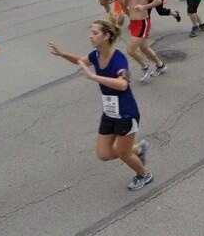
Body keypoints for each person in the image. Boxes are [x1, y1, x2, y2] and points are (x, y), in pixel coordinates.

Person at [48, 19, 153, 191]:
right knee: (104, 154)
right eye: (91, 32)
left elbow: (123, 84)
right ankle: (138, 149)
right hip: (110, 112)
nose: (91, 36)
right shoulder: (95, 55)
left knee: (123, 154)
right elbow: (81, 61)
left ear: (107, 36)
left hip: (126, 113)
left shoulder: (118, 59)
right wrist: (62, 54)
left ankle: (144, 174)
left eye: (95, 33)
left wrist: (94, 77)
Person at [116, 0, 167, 83]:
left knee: (131, 50)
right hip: (133, 21)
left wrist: (144, 7)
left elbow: (158, 1)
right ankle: (160, 65)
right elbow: (125, 7)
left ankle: (146, 67)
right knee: (144, 48)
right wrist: (120, 1)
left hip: (142, 22)